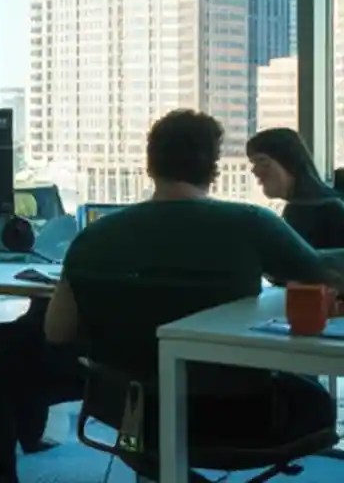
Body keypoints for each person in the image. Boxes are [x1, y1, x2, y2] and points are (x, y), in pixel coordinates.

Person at [46, 109, 337, 452]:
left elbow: (57, 331)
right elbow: (323, 277)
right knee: (315, 400)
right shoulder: (250, 223)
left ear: (151, 166)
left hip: (124, 408)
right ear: (213, 168)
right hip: (236, 415)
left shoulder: (91, 238)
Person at [248, 127, 344, 250]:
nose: (255, 170)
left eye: (263, 162)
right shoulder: (307, 208)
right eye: (253, 163)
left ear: (290, 163)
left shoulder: (325, 210)